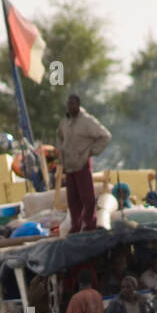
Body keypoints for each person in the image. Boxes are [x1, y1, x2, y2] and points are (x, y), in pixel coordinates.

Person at [56, 94, 111, 233]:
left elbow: (105, 136)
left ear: (78, 105)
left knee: (87, 197)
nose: (71, 107)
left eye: (73, 104)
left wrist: (90, 152)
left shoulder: (87, 122)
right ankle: (76, 225)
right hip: (69, 166)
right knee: (73, 200)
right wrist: (61, 156)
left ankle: (90, 224)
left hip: (82, 164)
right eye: (69, 104)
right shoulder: (65, 122)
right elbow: (59, 137)